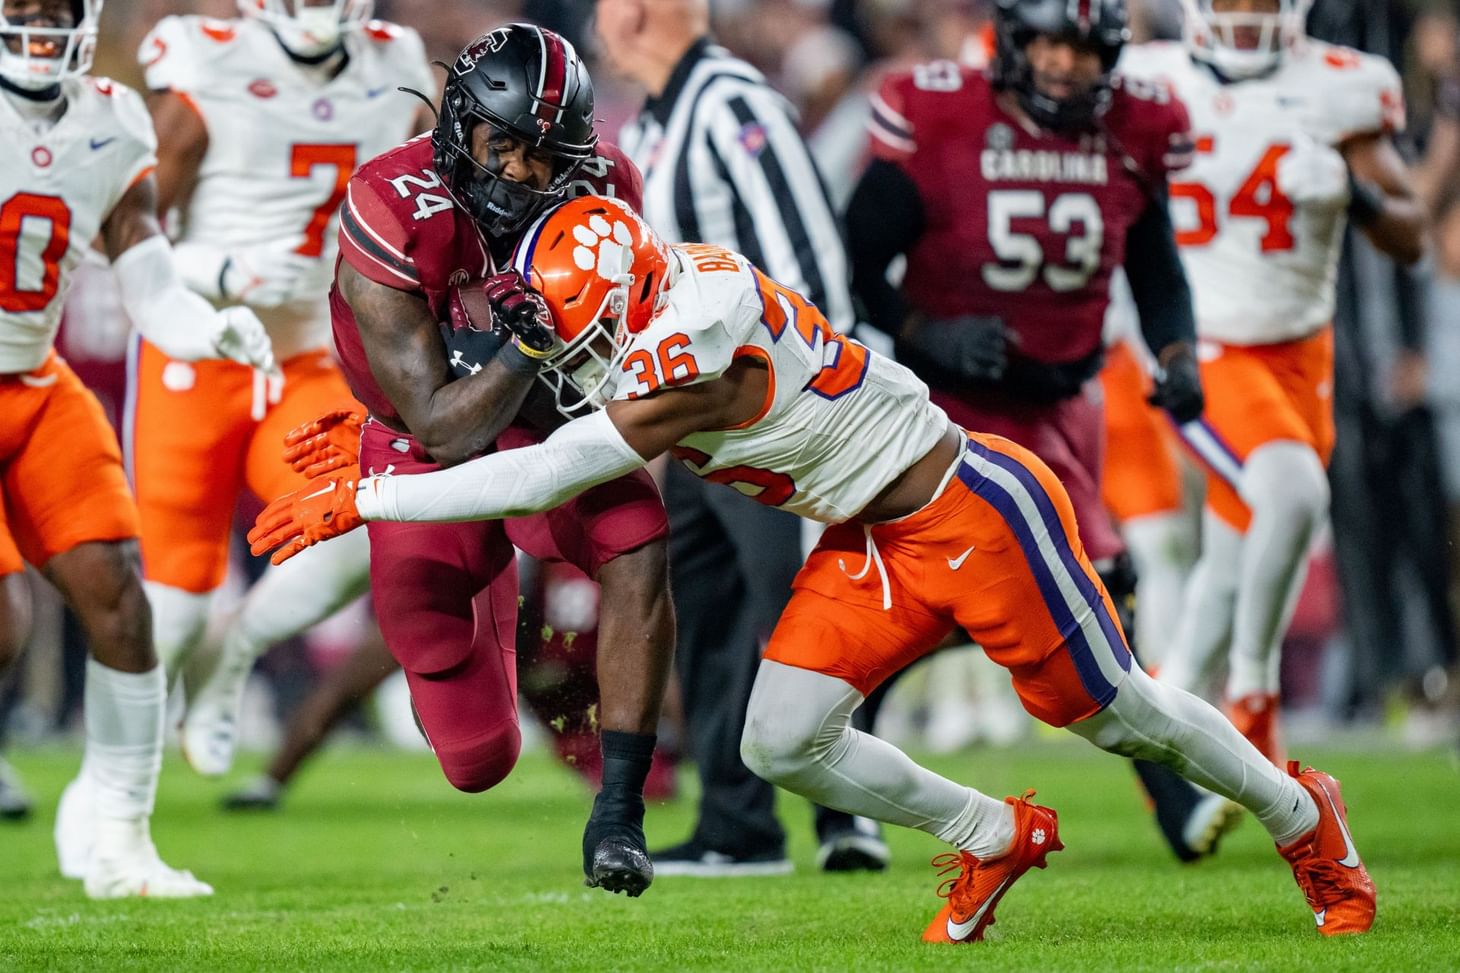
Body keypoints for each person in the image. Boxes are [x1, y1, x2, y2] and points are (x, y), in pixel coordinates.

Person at [251, 193, 1377, 941]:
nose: (562, 354)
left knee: (1116, 713)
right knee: (778, 738)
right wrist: (376, 443)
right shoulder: (653, 296)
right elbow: (547, 409)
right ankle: (993, 834)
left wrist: (373, 494)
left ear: (628, 308)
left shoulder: (690, 351)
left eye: (575, 334)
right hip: (867, 536)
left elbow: (543, 473)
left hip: (964, 506)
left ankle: (1300, 814)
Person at [282, 24, 676, 897]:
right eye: (503, 144)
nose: (524, 175)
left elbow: (621, 359)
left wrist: (546, 355)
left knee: (638, 533)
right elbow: (443, 424)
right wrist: (521, 348)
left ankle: (618, 814)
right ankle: (484, 609)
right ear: (458, 125)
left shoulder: (608, 185)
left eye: (547, 155)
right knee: (477, 759)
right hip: (421, 444)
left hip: (547, 425)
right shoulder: (389, 201)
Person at [51, 0, 434, 881]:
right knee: (170, 608)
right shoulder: (207, 64)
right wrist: (219, 273)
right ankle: (100, 791)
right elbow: (128, 235)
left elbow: (417, 205)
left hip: (301, 351)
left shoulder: (395, 65)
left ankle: (241, 651)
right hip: (199, 349)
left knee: (359, 515)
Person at [845, 0, 1234, 862]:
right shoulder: (941, 113)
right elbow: (858, 254)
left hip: (1062, 405)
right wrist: (923, 330)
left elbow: (1156, 262)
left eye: (1085, 49)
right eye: (1050, 43)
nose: (1065, 64)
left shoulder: (1138, 125)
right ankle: (844, 770)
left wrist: (1177, 354)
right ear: (1015, 44)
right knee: (949, 605)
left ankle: (1170, 799)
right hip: (951, 405)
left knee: (1095, 588)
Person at [595, 0, 885, 875]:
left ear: (636, 13)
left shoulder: (730, 101)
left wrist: (810, 410)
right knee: (713, 612)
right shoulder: (655, 122)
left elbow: (809, 257)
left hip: (773, 413)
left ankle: (850, 815)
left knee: (797, 604)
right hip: (699, 422)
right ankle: (736, 824)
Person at [0, 0, 274, 897]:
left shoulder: (113, 117)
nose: (37, 27)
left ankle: (121, 843)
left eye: (53, 11)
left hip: (36, 384)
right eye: (19, 10)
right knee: (5, 626)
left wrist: (209, 330)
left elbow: (148, 277)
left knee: (119, 595)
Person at [1121, 0, 1427, 761]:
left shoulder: (1339, 84)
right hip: (1202, 348)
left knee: (1230, 566)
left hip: (1302, 353)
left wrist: (1354, 196)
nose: (1246, 15)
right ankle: (1254, 695)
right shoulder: (1147, 82)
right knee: (1293, 494)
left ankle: (1169, 717)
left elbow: (1412, 233)